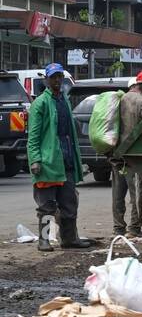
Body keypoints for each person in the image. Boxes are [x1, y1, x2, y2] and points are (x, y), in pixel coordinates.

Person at [27, 63, 91, 251]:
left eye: (59, 77)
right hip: (47, 163)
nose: (56, 80)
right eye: (53, 77)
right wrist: (35, 160)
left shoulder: (63, 100)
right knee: (46, 205)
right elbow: (34, 136)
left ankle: (69, 239)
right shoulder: (40, 103)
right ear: (46, 80)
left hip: (66, 160)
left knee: (69, 204)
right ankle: (44, 240)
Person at [111, 70, 142, 238]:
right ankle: (134, 229)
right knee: (137, 194)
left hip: (116, 155)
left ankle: (118, 229)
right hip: (133, 157)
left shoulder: (119, 99)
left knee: (118, 193)